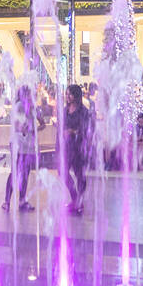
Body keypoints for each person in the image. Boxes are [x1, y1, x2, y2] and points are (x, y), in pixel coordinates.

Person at [2, 85, 41, 212]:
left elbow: (42, 124)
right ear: (23, 95)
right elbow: (19, 127)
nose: (31, 96)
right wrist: (30, 128)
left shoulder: (33, 108)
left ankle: (22, 201)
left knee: (25, 173)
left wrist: (34, 129)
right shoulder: (18, 106)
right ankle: (7, 202)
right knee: (15, 172)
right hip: (17, 143)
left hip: (28, 144)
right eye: (29, 94)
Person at [62, 83, 90, 214]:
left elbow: (88, 130)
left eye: (70, 94)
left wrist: (73, 131)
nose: (67, 96)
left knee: (80, 175)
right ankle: (75, 198)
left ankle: (79, 202)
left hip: (79, 147)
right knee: (62, 172)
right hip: (67, 148)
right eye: (66, 94)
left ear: (76, 95)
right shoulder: (65, 110)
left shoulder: (84, 111)